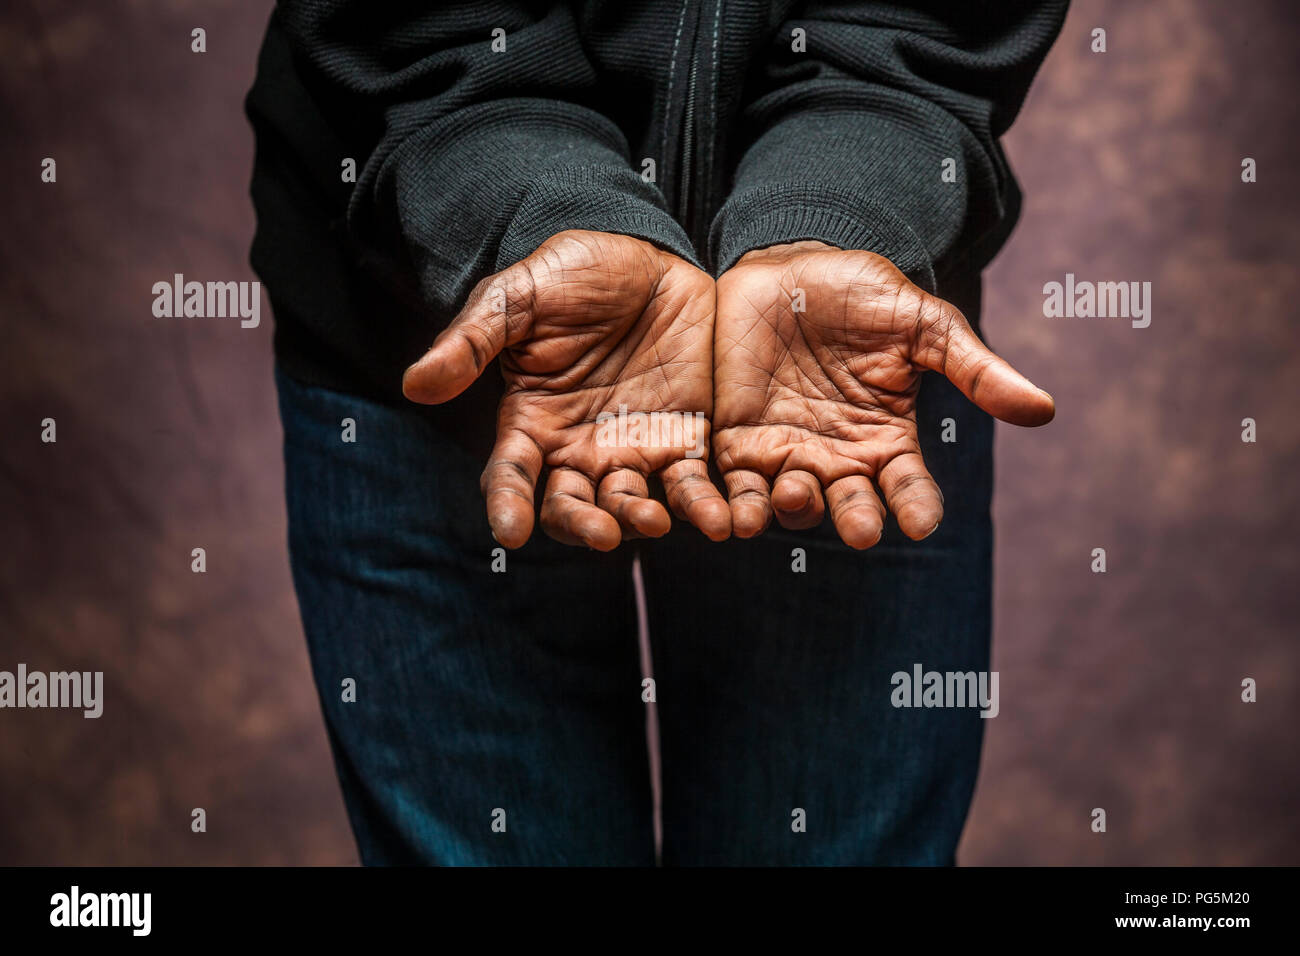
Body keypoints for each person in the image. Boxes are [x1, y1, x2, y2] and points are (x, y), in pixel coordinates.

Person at [246, 0, 1067, 865]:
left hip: (844, 375)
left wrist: (837, 208)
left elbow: (930, 26)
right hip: (430, 317)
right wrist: (529, 201)